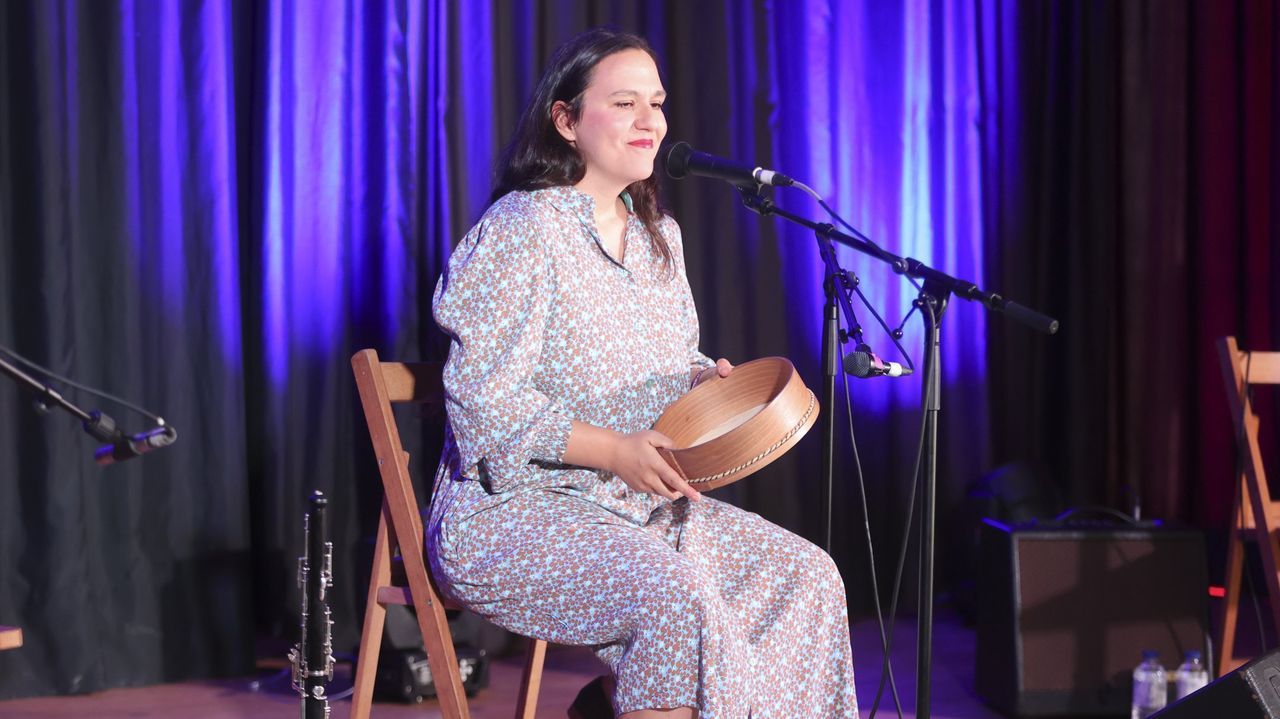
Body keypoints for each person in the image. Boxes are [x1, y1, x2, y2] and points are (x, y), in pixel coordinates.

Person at [427, 27, 858, 719]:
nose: (650, 120)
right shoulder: (522, 229)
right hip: (514, 513)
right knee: (672, 593)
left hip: (638, 509)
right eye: (624, 102)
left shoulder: (662, 237)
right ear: (565, 120)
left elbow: (666, 361)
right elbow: (483, 403)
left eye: (655, 102)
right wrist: (613, 450)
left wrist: (699, 385)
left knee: (806, 576)